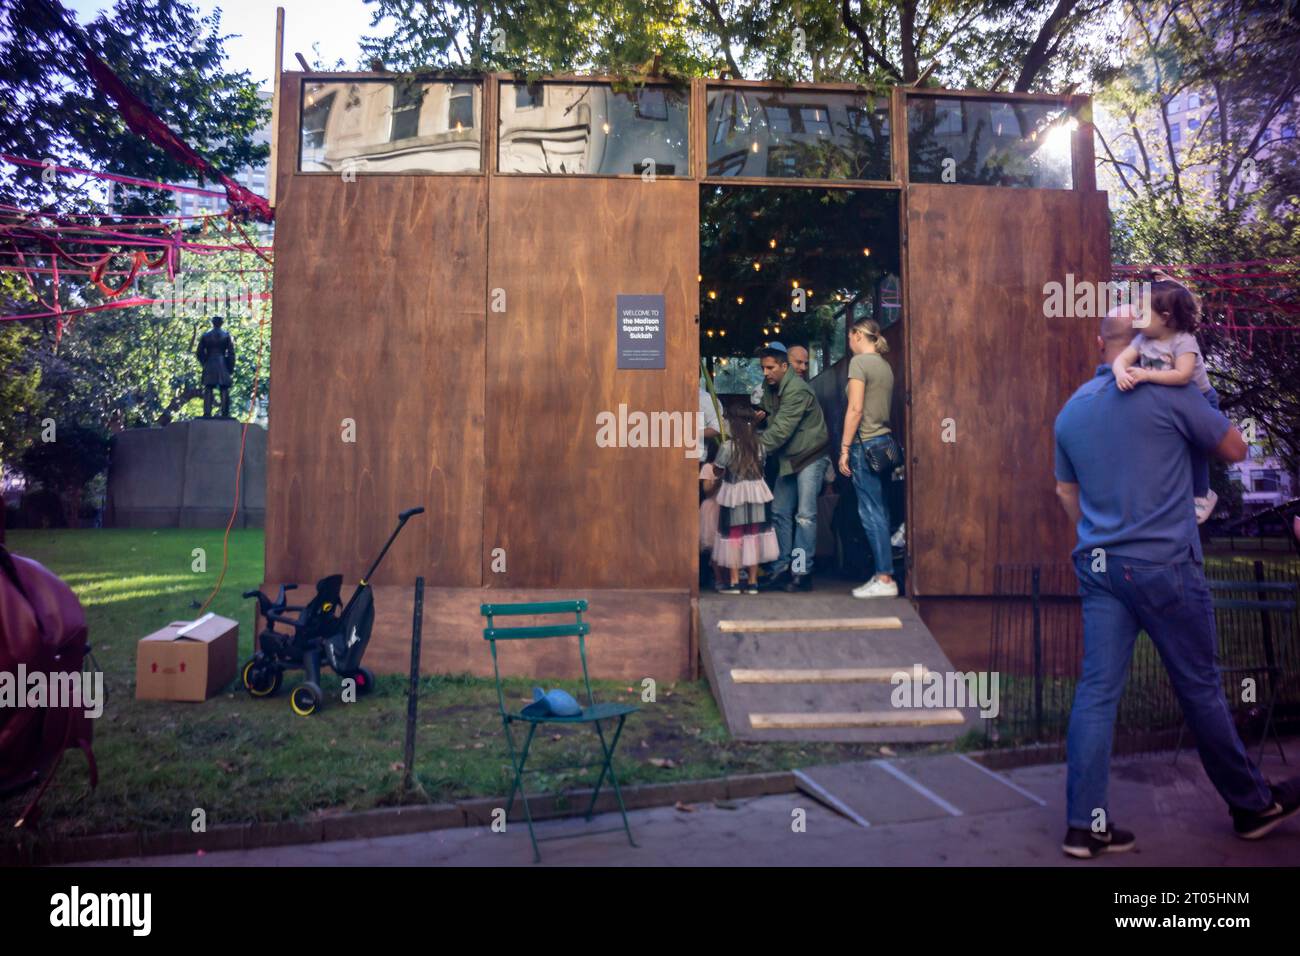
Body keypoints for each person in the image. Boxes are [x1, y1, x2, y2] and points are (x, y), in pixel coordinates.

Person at [1053, 304, 1300, 859]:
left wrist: (1102, 538)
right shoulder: (1170, 392)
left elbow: (1066, 493)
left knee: (1096, 694)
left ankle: (1084, 827)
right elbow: (1235, 449)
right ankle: (1252, 805)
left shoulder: (1071, 412)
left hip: (1099, 567)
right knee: (1199, 689)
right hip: (1165, 564)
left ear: (1100, 344)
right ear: (1143, 340)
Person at [1110, 278, 1220, 523]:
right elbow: (1121, 360)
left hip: (1200, 401)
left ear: (1165, 317)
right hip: (1170, 401)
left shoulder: (1184, 341)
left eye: (1141, 312)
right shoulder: (1142, 341)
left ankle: (1202, 494)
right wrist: (1120, 373)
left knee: (1196, 448)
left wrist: (1146, 374)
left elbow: (1182, 376)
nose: (1135, 316)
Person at [757, 348, 830, 592]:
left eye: (770, 368)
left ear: (783, 367)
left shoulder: (797, 389)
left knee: (805, 516)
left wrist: (750, 450)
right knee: (779, 511)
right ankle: (781, 568)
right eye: (763, 368)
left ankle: (801, 572)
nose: (765, 372)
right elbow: (770, 420)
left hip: (810, 455)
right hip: (789, 458)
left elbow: (780, 430)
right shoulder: (770, 387)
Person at [838, 319, 897, 598]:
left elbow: (856, 409)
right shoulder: (885, 365)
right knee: (881, 508)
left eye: (850, 338)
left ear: (858, 335)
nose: (849, 344)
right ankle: (884, 574)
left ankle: (884, 578)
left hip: (865, 445)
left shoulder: (860, 363)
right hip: (884, 444)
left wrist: (845, 448)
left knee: (870, 511)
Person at [712, 406, 779, 595]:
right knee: (754, 536)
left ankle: (733, 582)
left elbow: (718, 469)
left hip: (734, 493)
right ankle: (752, 582)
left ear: (734, 425)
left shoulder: (727, 447)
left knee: (734, 537)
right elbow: (763, 466)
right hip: (758, 492)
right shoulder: (760, 445)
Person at [196, 315, 236, 418]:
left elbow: (199, 352)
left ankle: (207, 412)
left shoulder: (206, 335)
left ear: (212, 323)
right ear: (221, 323)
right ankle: (225, 413)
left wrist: (205, 362)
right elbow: (231, 353)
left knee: (208, 387)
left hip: (209, 362)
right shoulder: (226, 335)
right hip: (222, 363)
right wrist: (230, 367)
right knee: (224, 388)